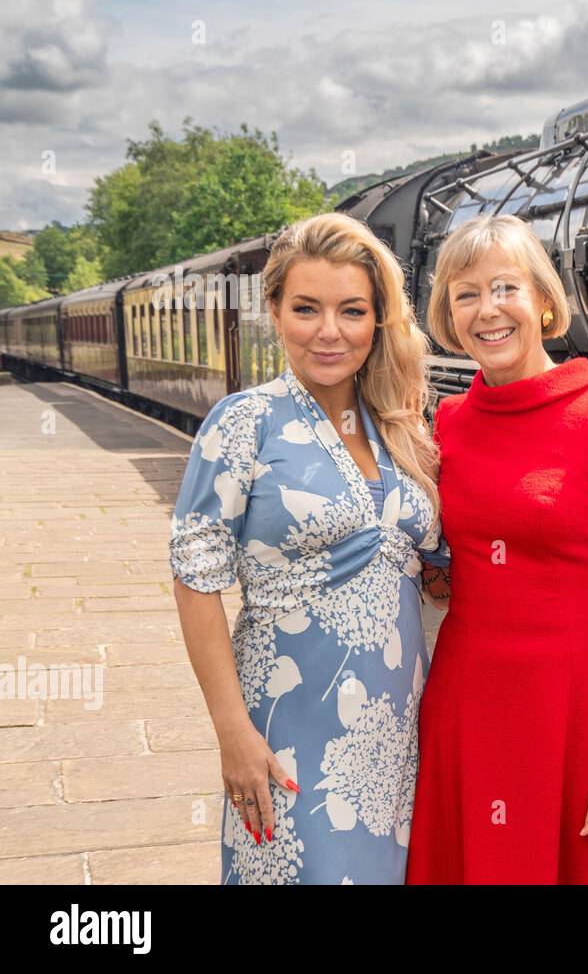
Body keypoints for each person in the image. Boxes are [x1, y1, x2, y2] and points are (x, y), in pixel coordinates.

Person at [405, 213, 588, 884]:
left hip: (583, 720)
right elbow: (435, 562)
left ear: (542, 297)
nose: (488, 310)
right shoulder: (447, 425)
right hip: (472, 711)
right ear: (448, 313)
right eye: (465, 294)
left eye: (505, 287)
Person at [170, 212, 445, 884]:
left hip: (397, 740)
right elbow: (194, 579)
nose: (329, 331)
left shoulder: (400, 430)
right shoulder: (243, 424)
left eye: (352, 310)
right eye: (306, 308)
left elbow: (437, 573)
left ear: (378, 318)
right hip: (287, 731)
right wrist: (233, 733)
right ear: (273, 310)